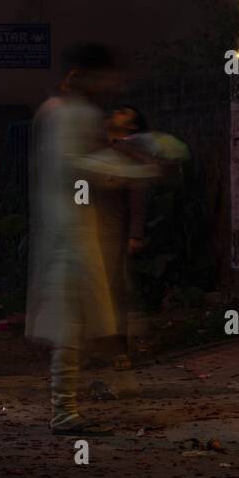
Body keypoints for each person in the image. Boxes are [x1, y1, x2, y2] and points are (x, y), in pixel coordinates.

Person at [26, 45, 160, 435]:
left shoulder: (64, 112)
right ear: (84, 75)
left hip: (74, 231)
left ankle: (69, 406)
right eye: (105, 76)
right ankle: (64, 411)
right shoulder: (68, 115)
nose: (111, 85)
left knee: (81, 321)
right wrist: (132, 169)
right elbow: (76, 167)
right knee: (74, 321)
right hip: (70, 233)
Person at [97, 105, 150, 367]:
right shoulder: (98, 150)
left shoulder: (130, 155)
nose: (115, 113)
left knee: (113, 290)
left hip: (112, 230)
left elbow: (137, 196)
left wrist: (135, 234)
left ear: (132, 126)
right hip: (88, 229)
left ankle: (119, 349)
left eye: (124, 113)